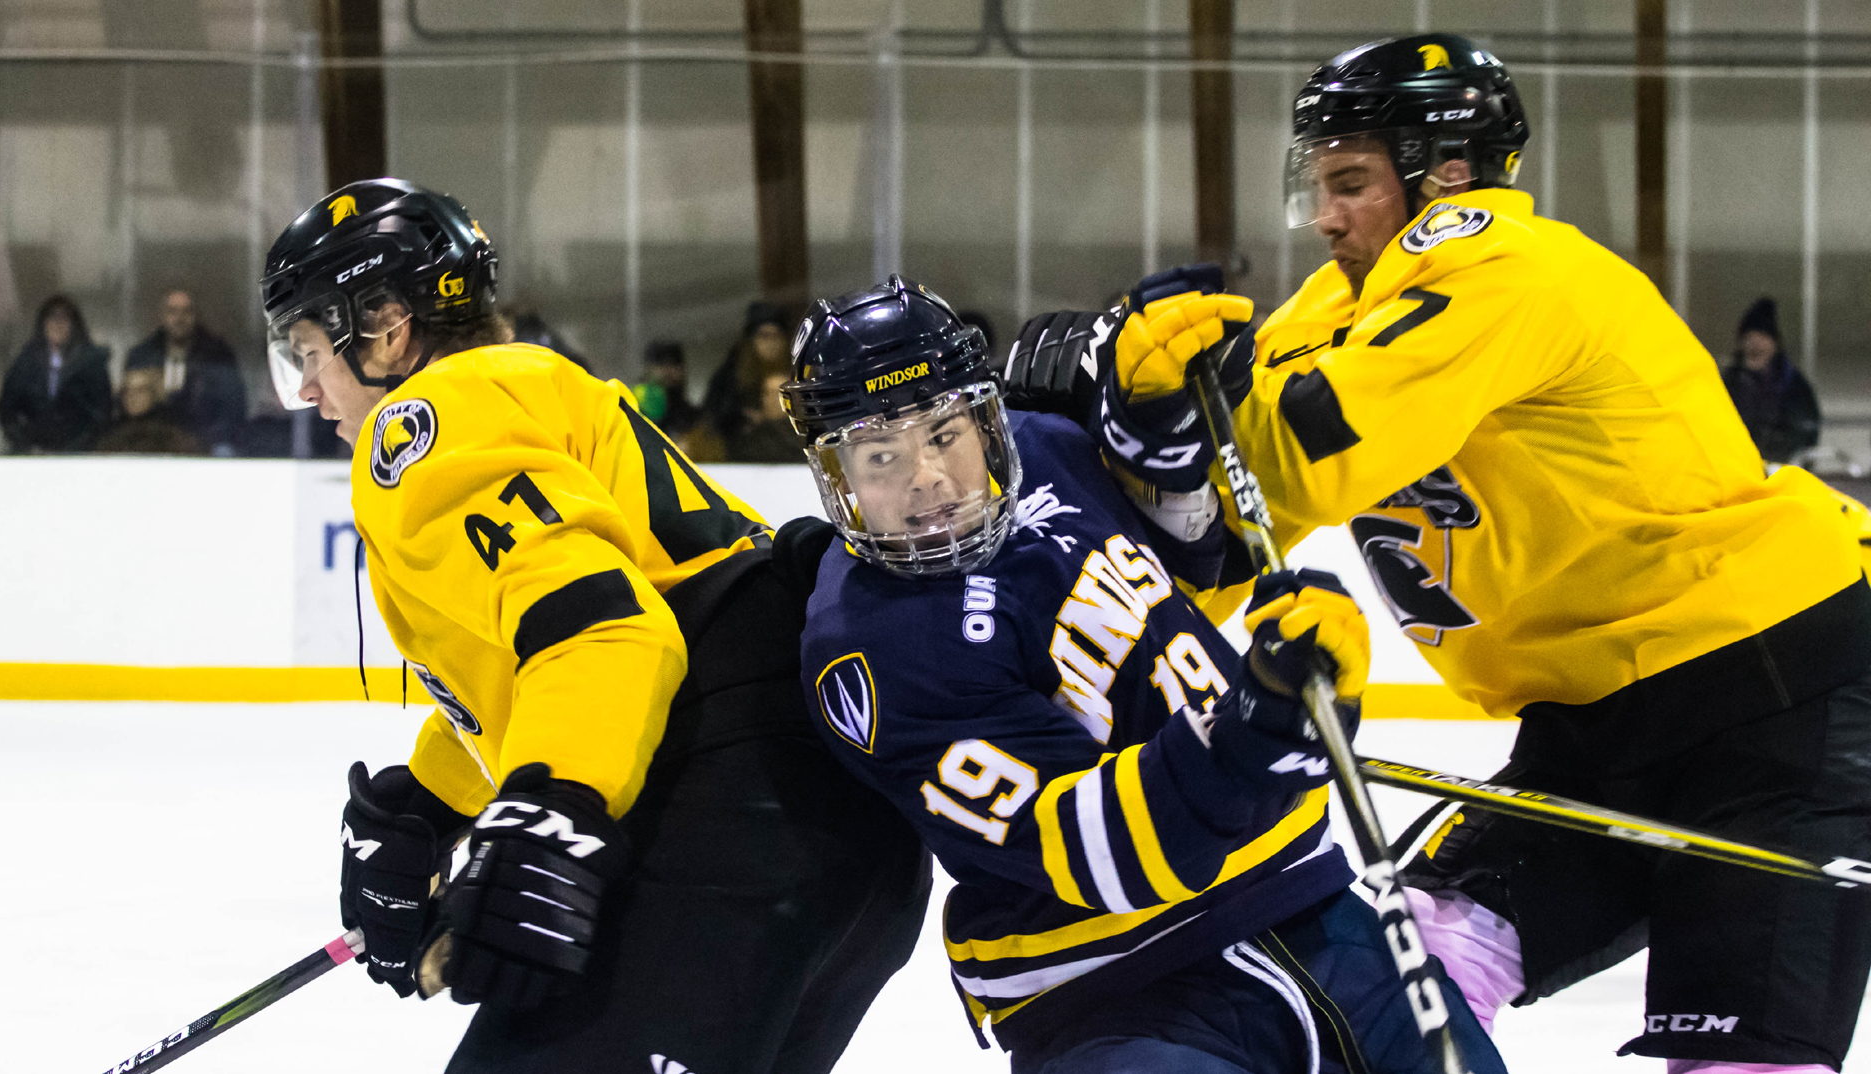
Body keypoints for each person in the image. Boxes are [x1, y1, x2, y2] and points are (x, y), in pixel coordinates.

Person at [1010, 33, 1871, 1074]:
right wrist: (1102, 512)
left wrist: (1140, 405)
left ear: (1447, 173)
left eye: (1351, 183)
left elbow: (1313, 448)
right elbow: (1229, 527)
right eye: (1319, 186)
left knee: (1744, 1059)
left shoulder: (1513, 267)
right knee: (1400, 971)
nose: (1326, 216)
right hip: (1591, 729)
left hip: (1783, 692)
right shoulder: (1335, 308)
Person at [260, 178, 927, 1074]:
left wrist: (550, 811)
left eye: (309, 351)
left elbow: (607, 634)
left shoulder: (422, 425)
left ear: (384, 327)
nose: (306, 388)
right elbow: (563, 643)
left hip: (732, 815)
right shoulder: (537, 387)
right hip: (838, 830)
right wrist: (433, 800)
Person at [786, 275, 1506, 1073]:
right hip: (1114, 990)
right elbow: (1099, 851)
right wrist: (1256, 734)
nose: (926, 477)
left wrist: (1158, 439)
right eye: (881, 454)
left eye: (943, 432)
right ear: (834, 473)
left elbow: (1190, 558)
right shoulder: (869, 650)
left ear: (982, 418)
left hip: (1311, 903)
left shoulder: (1041, 448)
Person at [123, 290, 248, 454]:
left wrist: (207, 439)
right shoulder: (142, 355)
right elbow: (129, 408)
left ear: (196, 315)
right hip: (153, 438)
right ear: (162, 316)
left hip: (206, 438)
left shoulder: (217, 354)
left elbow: (232, 408)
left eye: (186, 311)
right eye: (172, 311)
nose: (179, 318)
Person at [0, 294, 113, 452]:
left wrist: (78, 448)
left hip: (80, 455)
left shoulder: (92, 363)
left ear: (74, 325)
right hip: (34, 455)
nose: (57, 324)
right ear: (43, 324)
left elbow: (102, 415)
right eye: (51, 318)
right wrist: (26, 445)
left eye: (64, 318)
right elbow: (7, 411)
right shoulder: (25, 362)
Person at [1722, 297, 1820, 464]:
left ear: (1774, 343)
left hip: (1780, 467)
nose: (1755, 344)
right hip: (1736, 466)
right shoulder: (1728, 382)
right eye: (1749, 337)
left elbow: (1805, 432)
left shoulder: (1793, 384)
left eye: (1762, 337)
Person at [690, 301, 791, 462]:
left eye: (776, 336)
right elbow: (715, 421)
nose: (770, 343)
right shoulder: (729, 378)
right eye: (764, 336)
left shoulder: (796, 371)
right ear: (752, 340)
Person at [96, 365, 205, 454]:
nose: (132, 396)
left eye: (140, 390)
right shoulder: (110, 436)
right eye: (127, 390)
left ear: (154, 394)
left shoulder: (172, 436)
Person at [634, 339, 699, 440]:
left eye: (674, 364)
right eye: (661, 364)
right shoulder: (635, 405)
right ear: (648, 369)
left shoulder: (690, 416)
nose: (668, 370)